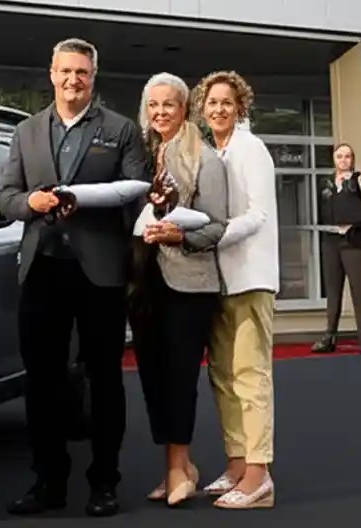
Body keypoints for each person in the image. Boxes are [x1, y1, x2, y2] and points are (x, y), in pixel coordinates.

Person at [0, 38, 148, 518]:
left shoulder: (121, 131)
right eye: (66, 71)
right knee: (42, 381)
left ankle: (104, 482)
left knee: (104, 380)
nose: (73, 80)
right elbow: (6, 196)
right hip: (42, 267)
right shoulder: (26, 131)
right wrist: (30, 205)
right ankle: (48, 482)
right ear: (51, 73)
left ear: (92, 77)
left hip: (99, 273)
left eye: (82, 72)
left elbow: (135, 193)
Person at [128, 73, 229, 507]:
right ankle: (177, 466)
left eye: (168, 105)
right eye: (153, 106)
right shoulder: (139, 155)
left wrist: (178, 236)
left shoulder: (204, 158)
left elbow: (218, 226)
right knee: (152, 377)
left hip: (188, 284)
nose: (160, 113)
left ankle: (178, 466)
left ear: (184, 108)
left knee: (179, 377)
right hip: (144, 283)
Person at [193, 71, 279, 509]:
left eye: (227, 102)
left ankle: (259, 476)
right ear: (203, 108)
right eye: (212, 102)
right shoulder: (212, 151)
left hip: (250, 279)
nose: (219, 109)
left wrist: (213, 234)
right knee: (223, 377)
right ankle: (237, 464)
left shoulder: (251, 148)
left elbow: (258, 214)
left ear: (240, 106)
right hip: (219, 282)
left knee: (250, 376)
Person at [311, 143, 361, 354]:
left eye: (347, 156)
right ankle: (329, 337)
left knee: (358, 291)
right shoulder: (326, 183)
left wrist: (351, 219)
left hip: (353, 241)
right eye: (339, 156)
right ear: (334, 160)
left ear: (352, 159)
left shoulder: (358, 182)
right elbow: (321, 209)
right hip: (331, 241)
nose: (344, 160)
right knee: (333, 291)